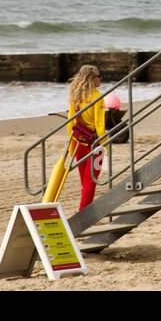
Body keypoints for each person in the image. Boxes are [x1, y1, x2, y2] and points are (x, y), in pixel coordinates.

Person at [66, 64, 106, 211]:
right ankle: (84, 212)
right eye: (99, 76)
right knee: (91, 182)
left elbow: (71, 121)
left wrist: (71, 146)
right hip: (94, 143)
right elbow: (99, 123)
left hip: (78, 141)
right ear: (92, 78)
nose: (101, 79)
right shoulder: (97, 96)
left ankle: (85, 209)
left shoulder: (76, 95)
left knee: (85, 181)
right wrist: (104, 144)